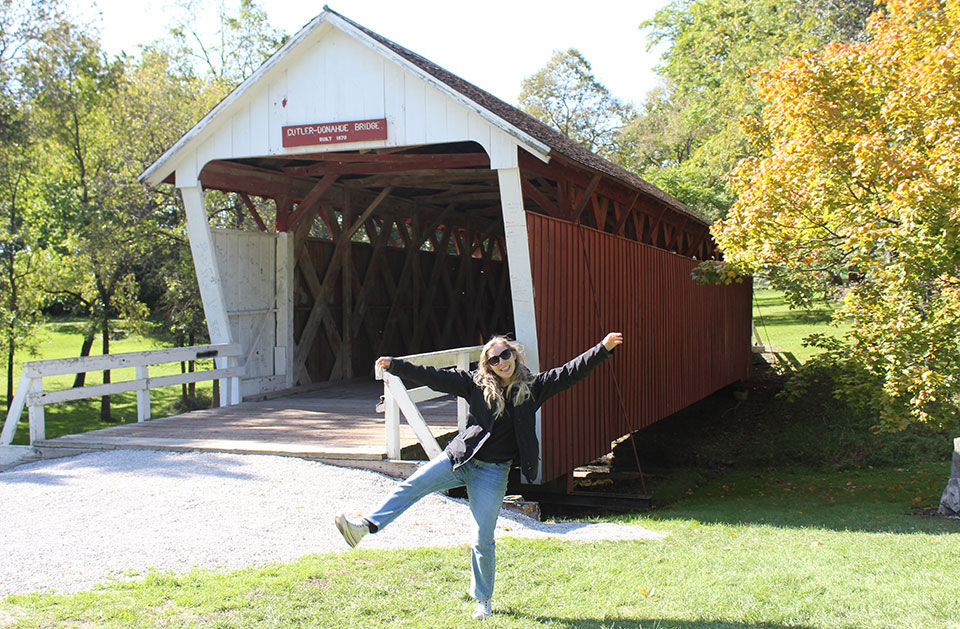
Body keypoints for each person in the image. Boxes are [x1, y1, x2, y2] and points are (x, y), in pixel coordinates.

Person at [335, 332, 623, 620]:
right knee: (412, 485)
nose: (501, 362)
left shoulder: (534, 388)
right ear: (489, 365)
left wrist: (603, 348)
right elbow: (435, 376)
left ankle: (482, 600)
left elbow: (570, 372)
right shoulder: (476, 385)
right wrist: (397, 366)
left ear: (514, 355)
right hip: (460, 459)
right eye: (494, 359)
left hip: (493, 474)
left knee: (482, 538)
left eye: (505, 355)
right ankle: (365, 527)